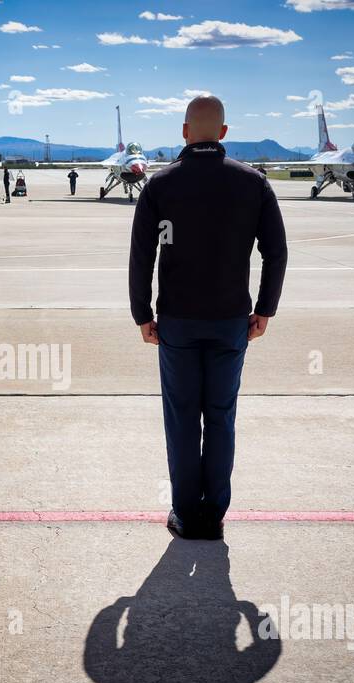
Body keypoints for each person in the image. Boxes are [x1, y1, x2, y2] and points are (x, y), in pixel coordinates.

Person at [129, 94, 288, 541]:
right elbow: (276, 251)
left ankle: (183, 512)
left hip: (177, 322)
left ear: (184, 131)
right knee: (220, 417)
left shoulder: (160, 186)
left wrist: (142, 313)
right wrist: (265, 309)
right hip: (230, 321)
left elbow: (142, 255)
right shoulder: (253, 183)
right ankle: (213, 513)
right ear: (223, 133)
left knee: (182, 418)